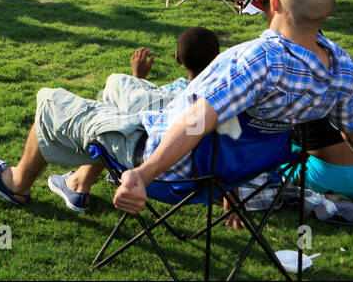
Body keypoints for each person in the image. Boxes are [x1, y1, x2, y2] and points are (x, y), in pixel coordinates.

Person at [0, 0, 353, 212]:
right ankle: (76, 185)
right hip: (230, 170)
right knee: (117, 85)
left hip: (168, 163)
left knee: (50, 103)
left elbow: (196, 119)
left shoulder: (259, 60)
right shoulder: (339, 70)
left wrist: (142, 175)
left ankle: (16, 185)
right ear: (325, 13)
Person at [43, 28, 222, 211]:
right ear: (218, 58)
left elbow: (138, 112)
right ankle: (81, 182)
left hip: (159, 175)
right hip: (212, 180)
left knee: (114, 92)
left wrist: (136, 79)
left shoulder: (177, 99)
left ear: (177, 58)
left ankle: (80, 185)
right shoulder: (224, 101)